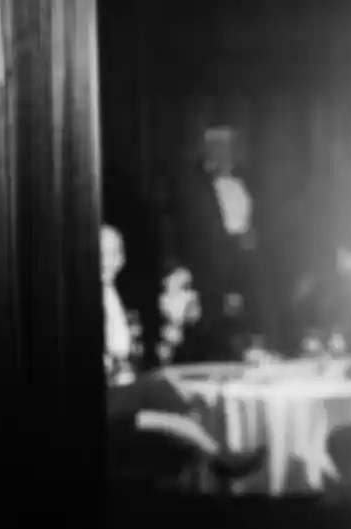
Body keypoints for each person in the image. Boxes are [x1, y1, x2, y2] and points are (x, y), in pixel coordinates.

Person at [102, 225, 264, 485]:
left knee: (170, 391)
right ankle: (219, 459)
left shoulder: (117, 297)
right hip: (106, 400)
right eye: (100, 254)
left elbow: (143, 355)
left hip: (122, 388)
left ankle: (213, 456)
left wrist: (175, 327)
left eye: (112, 254)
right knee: (168, 408)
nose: (106, 262)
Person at [172, 125, 278, 362]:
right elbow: (190, 229)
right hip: (211, 261)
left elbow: (261, 219)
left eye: (226, 146)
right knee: (215, 318)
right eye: (216, 147)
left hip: (247, 256)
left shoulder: (249, 181)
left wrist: (251, 238)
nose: (222, 152)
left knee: (256, 309)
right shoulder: (195, 186)